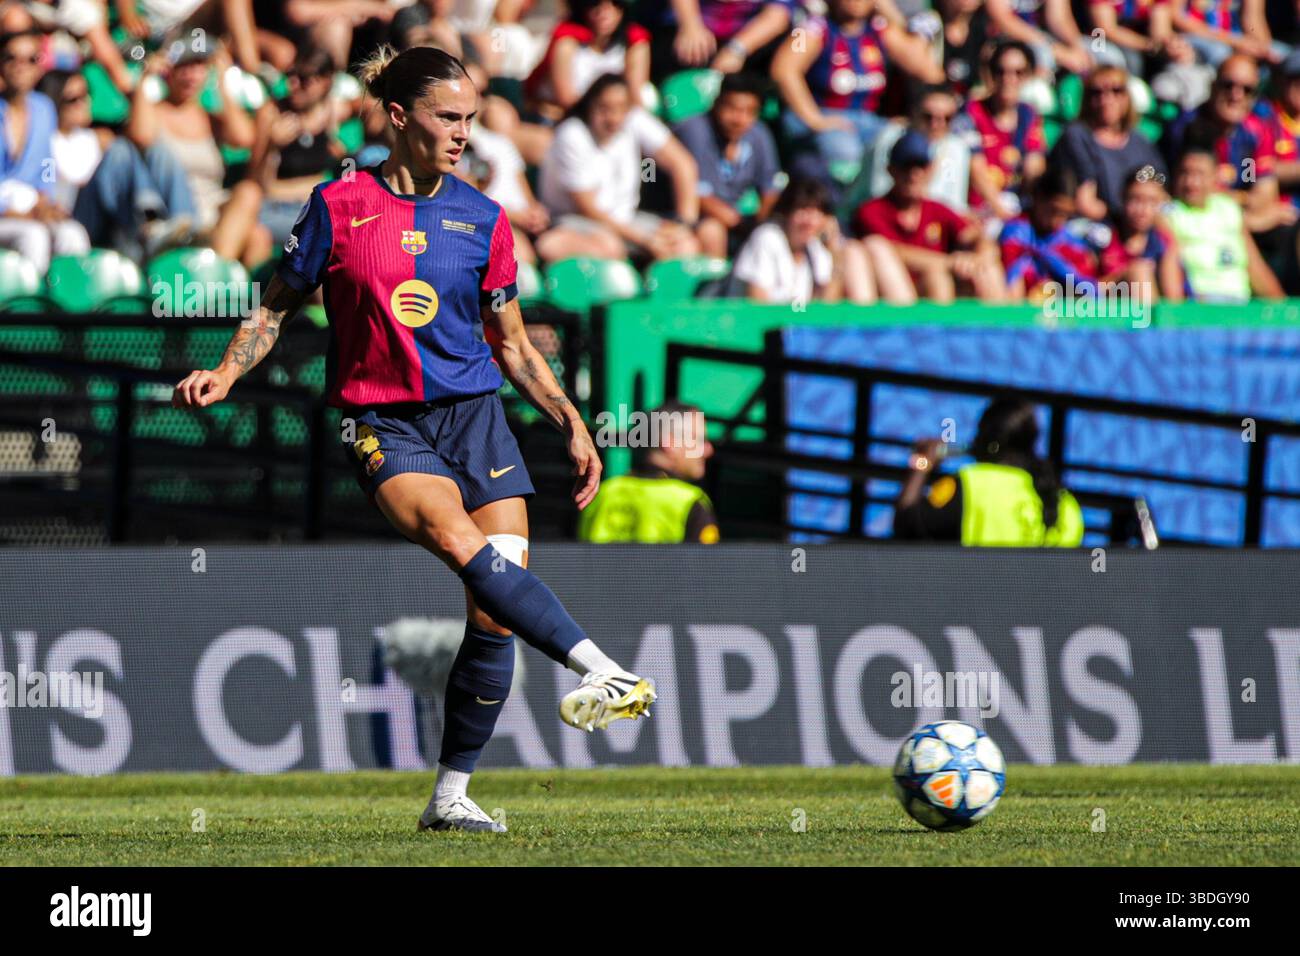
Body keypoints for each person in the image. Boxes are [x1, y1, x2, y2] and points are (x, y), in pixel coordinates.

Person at [170, 45, 657, 833]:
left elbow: (515, 348)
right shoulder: (339, 205)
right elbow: (274, 306)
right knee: (465, 545)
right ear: (399, 118)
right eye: (448, 117)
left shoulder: (482, 218)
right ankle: (603, 670)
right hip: (383, 421)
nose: (464, 133)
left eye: (470, 118)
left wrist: (571, 421)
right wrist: (227, 372)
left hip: (476, 417)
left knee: (493, 613)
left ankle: (450, 798)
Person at [75, 42, 271, 265]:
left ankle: (216, 271)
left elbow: (244, 138)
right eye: (183, 67)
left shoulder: (211, 119)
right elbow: (140, 136)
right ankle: (206, 271)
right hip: (168, 211)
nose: (191, 75)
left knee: (251, 202)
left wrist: (223, 83)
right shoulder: (155, 111)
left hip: (210, 205)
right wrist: (145, 79)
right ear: (168, 70)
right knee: (255, 235)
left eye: (198, 67)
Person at [770, 0, 942, 190]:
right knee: (845, 150)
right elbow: (783, 70)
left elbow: (924, 67)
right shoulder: (811, 28)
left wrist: (888, 11)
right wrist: (815, 119)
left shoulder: (878, 29)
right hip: (823, 117)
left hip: (868, 120)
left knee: (902, 142)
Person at [536, 72, 701, 262]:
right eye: (604, 108)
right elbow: (588, 209)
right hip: (578, 223)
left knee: (686, 245)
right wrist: (645, 240)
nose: (613, 118)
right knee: (608, 247)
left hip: (628, 221)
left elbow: (682, 164)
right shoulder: (571, 134)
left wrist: (683, 224)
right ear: (590, 105)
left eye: (621, 108)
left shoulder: (636, 120)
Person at [894, 395, 1085, 547]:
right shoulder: (1066, 505)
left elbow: (907, 524)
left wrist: (923, 462)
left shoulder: (972, 482)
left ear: (987, 439)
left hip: (976, 595)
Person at [856, 130, 1007, 302]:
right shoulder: (871, 211)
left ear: (930, 169)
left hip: (938, 285)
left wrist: (979, 257)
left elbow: (975, 236)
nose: (914, 174)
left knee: (987, 268)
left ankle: (1000, 326)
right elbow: (894, 252)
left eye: (920, 166)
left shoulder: (937, 209)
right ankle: (934, 328)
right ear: (891, 170)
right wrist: (950, 263)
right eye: (906, 167)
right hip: (895, 293)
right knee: (935, 276)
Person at [1161, 55, 1297, 234]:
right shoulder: (1189, 129)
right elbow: (1192, 194)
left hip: (1236, 223)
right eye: (1228, 85)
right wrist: (1248, 210)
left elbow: (1261, 192)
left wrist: (1243, 201)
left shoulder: (1255, 133)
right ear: (1213, 86)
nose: (1236, 95)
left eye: (1247, 90)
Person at [0, 28, 90, 274]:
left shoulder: (44, 109)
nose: (21, 66)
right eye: (11, 58)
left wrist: (46, 199)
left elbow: (47, 166)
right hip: (9, 213)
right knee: (34, 237)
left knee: (73, 234)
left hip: (30, 209)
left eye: (31, 59)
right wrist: (15, 211)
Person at [672, 71, 784, 257]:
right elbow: (698, 196)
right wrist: (744, 225)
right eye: (732, 109)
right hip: (687, 216)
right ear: (716, 104)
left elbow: (770, 189)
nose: (739, 119)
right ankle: (716, 286)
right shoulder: (693, 130)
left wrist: (761, 223)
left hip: (738, 219)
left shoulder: (759, 134)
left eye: (749, 112)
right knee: (712, 231)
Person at [730, 175, 890, 303]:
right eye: (802, 210)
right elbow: (759, 306)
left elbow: (824, 309)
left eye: (816, 213)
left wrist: (835, 256)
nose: (809, 221)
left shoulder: (815, 248)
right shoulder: (766, 238)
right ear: (786, 212)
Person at [578, 401, 720, 543]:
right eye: (700, 440)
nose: (708, 450)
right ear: (670, 443)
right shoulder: (690, 502)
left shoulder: (600, 493)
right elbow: (707, 563)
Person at [254, 46, 351, 247]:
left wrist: (343, 156)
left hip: (315, 207)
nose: (293, 85)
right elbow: (259, 186)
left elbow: (372, 106)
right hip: (275, 210)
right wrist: (271, 147)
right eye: (291, 75)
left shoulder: (333, 111)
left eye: (305, 79)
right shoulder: (272, 114)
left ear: (326, 83)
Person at [1165, 142, 1284, 299]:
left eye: (1200, 174)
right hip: (1198, 305)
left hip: (1238, 303)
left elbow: (1256, 268)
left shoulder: (1229, 209)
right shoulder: (1169, 214)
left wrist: (1284, 309)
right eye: (1185, 173)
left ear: (1215, 176)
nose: (1191, 182)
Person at [1050, 65, 1167, 221]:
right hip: (1097, 225)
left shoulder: (1140, 141)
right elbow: (1085, 203)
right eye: (1096, 92)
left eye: (1116, 90)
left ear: (1127, 97)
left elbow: (1160, 192)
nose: (1106, 99)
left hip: (1138, 223)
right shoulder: (1077, 136)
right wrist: (1125, 223)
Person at [954, 40, 1048, 223]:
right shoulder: (971, 112)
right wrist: (1003, 213)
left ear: (1028, 76)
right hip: (980, 209)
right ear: (991, 74)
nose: (1008, 79)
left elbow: (1034, 165)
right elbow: (977, 173)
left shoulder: (1028, 114)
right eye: (1000, 71)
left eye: (1018, 72)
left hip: (1016, 205)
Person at [525, 0, 651, 120]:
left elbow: (635, 99)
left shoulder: (634, 43)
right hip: (568, 119)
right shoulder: (566, 42)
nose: (604, 10)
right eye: (594, 2)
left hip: (613, 121)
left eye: (615, 2)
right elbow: (566, 100)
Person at [999, 166, 1108, 301]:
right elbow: (1010, 276)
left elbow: (1093, 292)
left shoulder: (1071, 244)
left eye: (1064, 214)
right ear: (1038, 198)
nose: (1057, 220)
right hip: (1021, 308)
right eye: (1053, 210)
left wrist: (1061, 270)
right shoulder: (1016, 232)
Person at [1099, 164, 1186, 300]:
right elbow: (1082, 288)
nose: (1142, 210)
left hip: (1151, 310)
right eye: (1135, 199)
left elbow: (1174, 298)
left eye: (1152, 202)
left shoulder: (1163, 243)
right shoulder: (1103, 235)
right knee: (1139, 271)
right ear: (1123, 198)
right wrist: (1125, 276)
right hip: (1105, 312)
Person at [984, 0, 1093, 75]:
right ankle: (1038, 102)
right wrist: (1058, 51)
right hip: (1007, 40)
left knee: (1097, 52)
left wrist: (1078, 48)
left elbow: (1059, 20)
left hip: (1042, 37)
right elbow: (1002, 20)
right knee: (1043, 55)